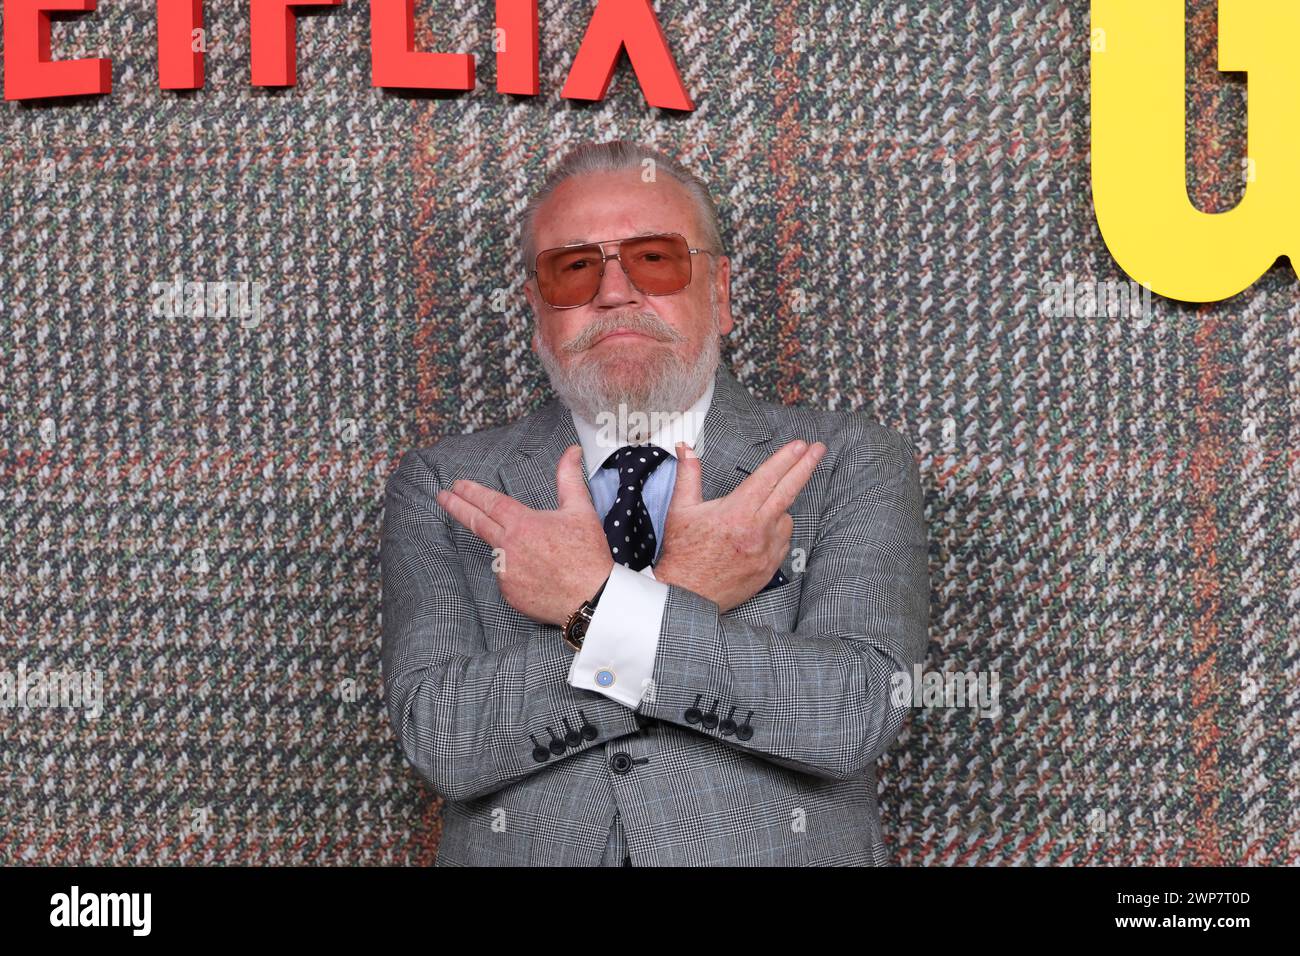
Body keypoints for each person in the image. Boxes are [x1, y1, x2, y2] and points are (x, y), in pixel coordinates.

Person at [380, 139, 929, 865]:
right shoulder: (446, 485)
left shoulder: (848, 462)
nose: (614, 293)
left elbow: (851, 711)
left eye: (654, 258)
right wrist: (683, 588)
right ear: (537, 311)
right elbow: (444, 739)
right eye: (575, 268)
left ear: (720, 293)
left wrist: (596, 609)